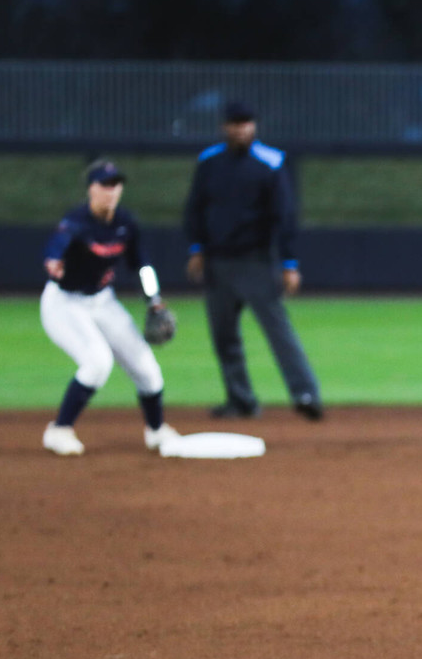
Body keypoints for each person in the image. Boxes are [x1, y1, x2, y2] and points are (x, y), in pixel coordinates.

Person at [183, 100, 322, 420]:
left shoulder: (270, 162)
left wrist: (288, 263)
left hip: (256, 260)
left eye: (246, 123)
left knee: (278, 331)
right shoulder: (210, 162)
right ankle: (241, 399)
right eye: (235, 123)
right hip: (217, 262)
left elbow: (284, 216)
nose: (241, 128)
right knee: (224, 336)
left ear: (254, 126)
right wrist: (196, 249)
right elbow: (195, 208)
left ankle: (305, 393)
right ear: (224, 127)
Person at [39, 159, 181, 457]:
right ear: (91, 188)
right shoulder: (77, 221)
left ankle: (157, 431)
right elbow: (57, 245)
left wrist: (153, 299)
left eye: (116, 184)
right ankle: (60, 430)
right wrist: (53, 260)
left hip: (102, 301)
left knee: (148, 369)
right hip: (65, 303)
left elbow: (142, 265)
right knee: (97, 361)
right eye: (105, 184)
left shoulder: (125, 224)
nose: (112, 190)